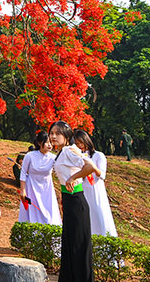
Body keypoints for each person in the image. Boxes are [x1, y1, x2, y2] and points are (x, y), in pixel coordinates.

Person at [51, 121, 97, 282]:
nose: (53, 136)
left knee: (78, 247)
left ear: (67, 136)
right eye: (52, 133)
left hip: (76, 202)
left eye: (58, 133)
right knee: (70, 246)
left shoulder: (69, 150)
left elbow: (90, 166)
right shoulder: (62, 152)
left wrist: (73, 177)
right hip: (69, 201)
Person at [74, 130, 117, 237]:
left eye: (81, 143)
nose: (80, 146)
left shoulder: (98, 156)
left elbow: (101, 175)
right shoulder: (77, 157)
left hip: (96, 190)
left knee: (100, 214)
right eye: (77, 144)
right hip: (83, 190)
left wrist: (92, 166)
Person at [18, 130, 61, 225]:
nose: (49, 145)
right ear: (39, 143)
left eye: (51, 142)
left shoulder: (53, 158)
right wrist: (23, 190)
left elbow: (60, 171)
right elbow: (23, 173)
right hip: (32, 188)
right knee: (32, 211)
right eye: (46, 142)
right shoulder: (30, 156)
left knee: (49, 212)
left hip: (47, 189)